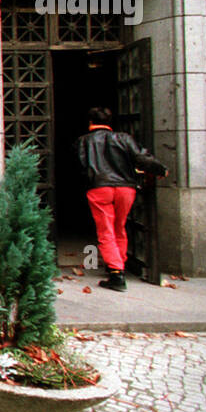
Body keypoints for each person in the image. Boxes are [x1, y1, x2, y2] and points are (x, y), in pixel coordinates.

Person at [74, 107, 168, 292]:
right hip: (126, 188)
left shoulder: (83, 141)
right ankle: (119, 263)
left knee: (105, 230)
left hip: (100, 188)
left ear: (90, 122)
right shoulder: (124, 138)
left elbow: (81, 166)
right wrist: (160, 169)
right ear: (110, 122)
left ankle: (116, 274)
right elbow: (141, 158)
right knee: (120, 226)